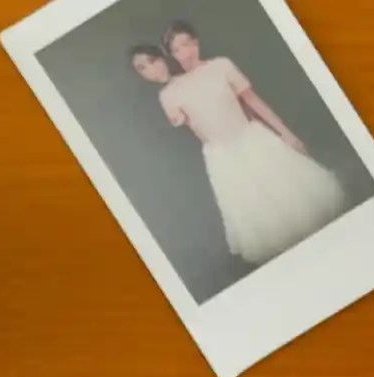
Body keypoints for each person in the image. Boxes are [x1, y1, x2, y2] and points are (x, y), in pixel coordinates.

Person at [131, 22, 347, 265]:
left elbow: (253, 101)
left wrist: (286, 133)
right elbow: (198, 130)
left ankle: (334, 253)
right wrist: (215, 150)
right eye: (177, 49)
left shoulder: (221, 65)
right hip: (223, 156)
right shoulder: (169, 93)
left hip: (252, 139)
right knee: (262, 212)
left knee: (292, 197)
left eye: (187, 43)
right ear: (170, 55)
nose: (185, 52)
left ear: (196, 42)